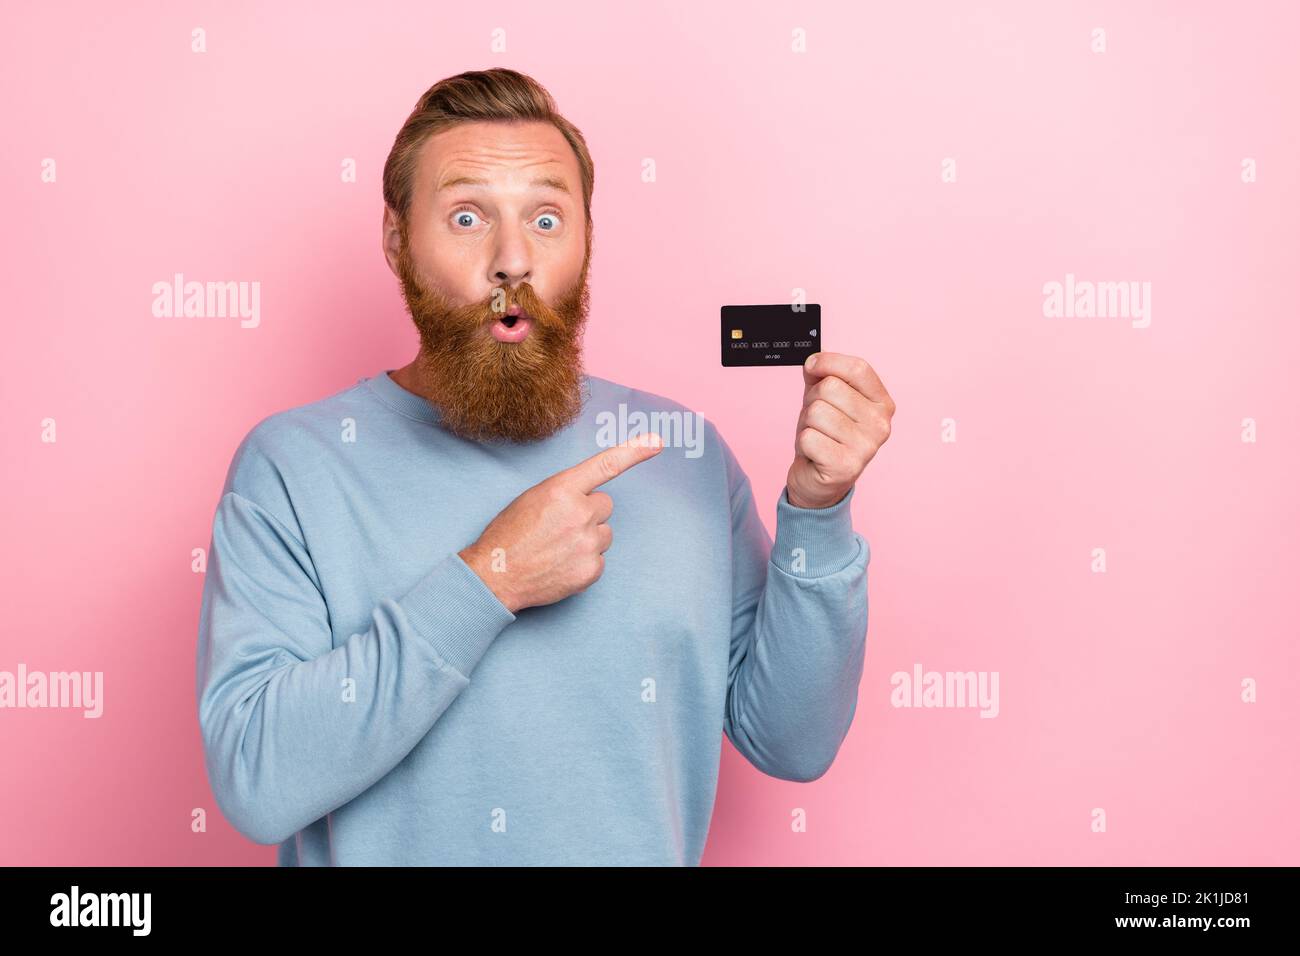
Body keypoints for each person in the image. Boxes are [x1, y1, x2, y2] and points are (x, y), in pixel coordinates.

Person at [195, 68, 895, 866]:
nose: (512, 260)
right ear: (396, 241)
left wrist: (819, 511)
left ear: (588, 241)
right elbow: (256, 781)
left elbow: (792, 742)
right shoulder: (291, 469)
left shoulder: (684, 457)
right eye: (466, 217)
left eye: (548, 218)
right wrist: (491, 577)